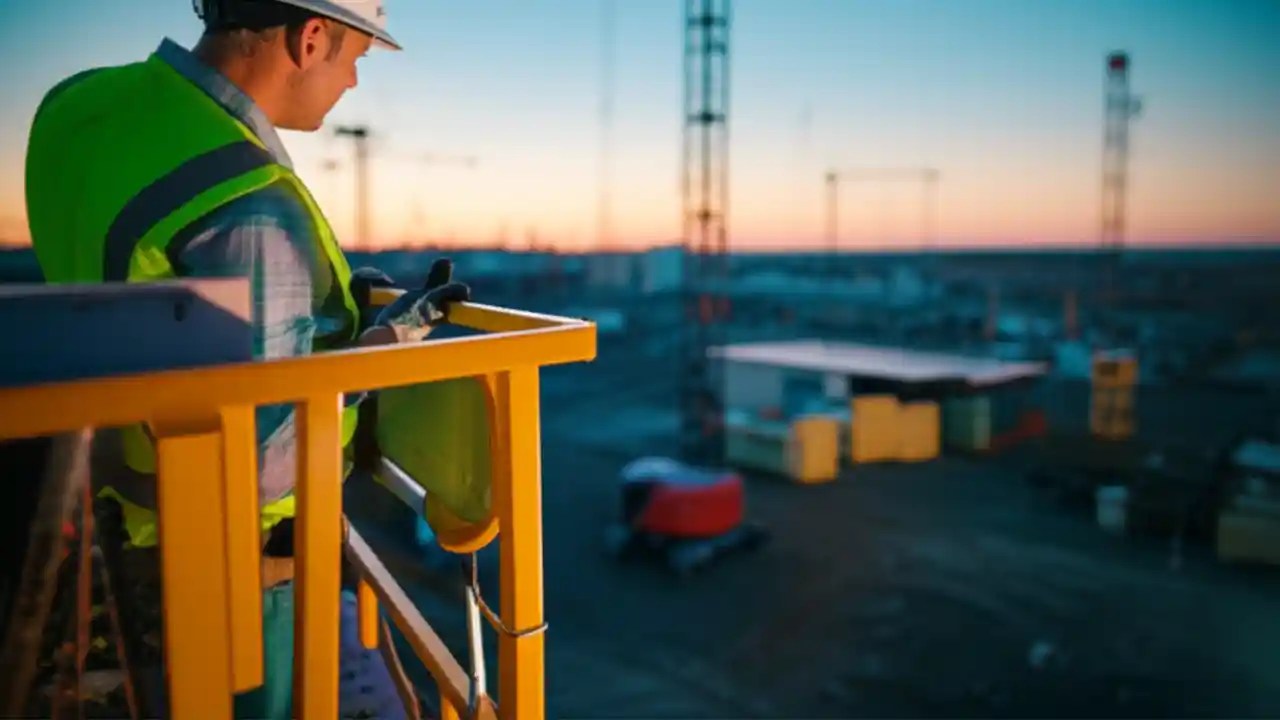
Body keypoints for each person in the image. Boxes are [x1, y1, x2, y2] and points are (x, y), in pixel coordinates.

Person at [24, 0, 466, 716]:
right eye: (355, 58)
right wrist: (376, 352)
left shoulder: (75, 106)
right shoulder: (251, 203)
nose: (353, 82)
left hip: (99, 495)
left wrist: (319, 317)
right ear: (311, 37)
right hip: (221, 559)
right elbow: (264, 461)